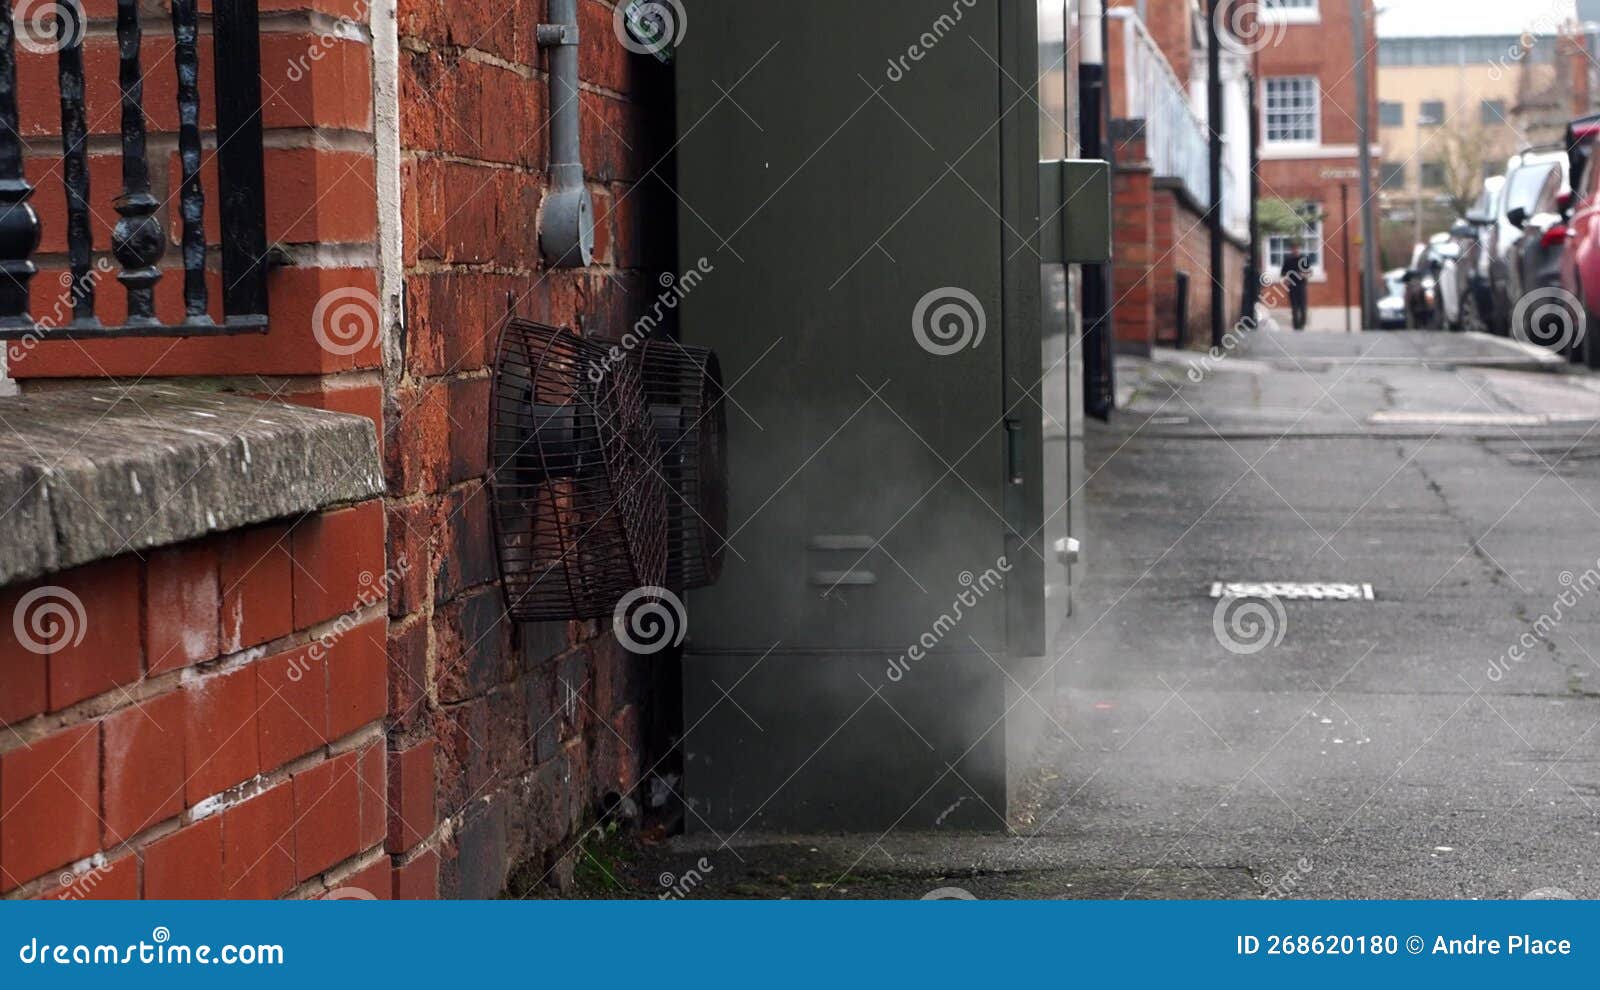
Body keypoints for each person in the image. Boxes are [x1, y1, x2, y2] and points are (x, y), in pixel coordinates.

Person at [1280, 242, 1311, 331]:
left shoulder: (1304, 259)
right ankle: (1296, 326)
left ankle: (1302, 324)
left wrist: (1304, 274)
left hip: (1301, 285)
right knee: (1294, 306)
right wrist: (1286, 280)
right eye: (1293, 249)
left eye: (1297, 248)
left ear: (1299, 249)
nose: (1295, 250)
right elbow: (1283, 273)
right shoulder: (1288, 260)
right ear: (1291, 250)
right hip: (1292, 286)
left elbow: (1309, 272)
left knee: (1302, 306)